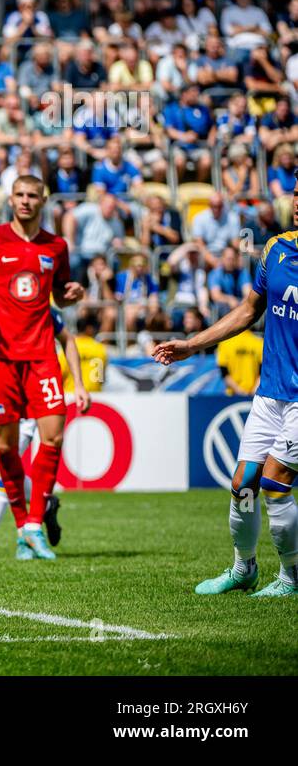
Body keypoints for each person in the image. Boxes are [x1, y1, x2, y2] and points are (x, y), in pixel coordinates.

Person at [154, 217, 298, 597]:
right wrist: (192, 343)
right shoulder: (275, 249)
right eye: (297, 193)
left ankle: (291, 577)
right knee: (242, 484)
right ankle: (244, 568)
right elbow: (250, 309)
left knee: (275, 481)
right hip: (270, 394)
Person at [0, 175, 86, 560]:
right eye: (20, 195)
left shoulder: (55, 246)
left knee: (54, 437)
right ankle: (23, 526)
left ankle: (32, 526)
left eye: (33, 196)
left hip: (42, 353)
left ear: (43, 201)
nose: (26, 201)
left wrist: (71, 294)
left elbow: (60, 292)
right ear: (10, 200)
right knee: (6, 447)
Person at [0, 300, 87, 558]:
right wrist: (2, 349)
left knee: (1, 470)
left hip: (23, 403)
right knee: (5, 467)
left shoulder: (29, 297)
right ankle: (45, 505)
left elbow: (65, 336)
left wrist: (78, 383)